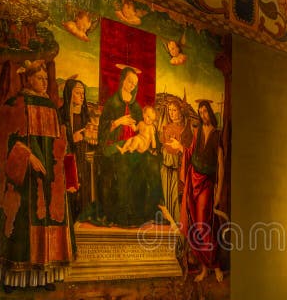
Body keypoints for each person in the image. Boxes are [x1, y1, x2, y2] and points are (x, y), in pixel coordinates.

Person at [0, 59, 72, 289]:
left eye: (46, 78)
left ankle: (45, 276)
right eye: (40, 78)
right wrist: (27, 157)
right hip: (25, 178)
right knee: (21, 225)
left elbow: (57, 142)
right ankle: (14, 278)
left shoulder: (51, 107)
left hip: (51, 178)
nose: (45, 82)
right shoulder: (15, 105)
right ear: (27, 78)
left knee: (49, 217)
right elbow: (5, 143)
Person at [94, 66, 165, 227]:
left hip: (135, 146)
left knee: (152, 165)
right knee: (124, 166)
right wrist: (118, 122)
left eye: (135, 82)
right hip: (114, 147)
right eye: (129, 81)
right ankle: (123, 214)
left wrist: (154, 147)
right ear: (122, 81)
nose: (132, 85)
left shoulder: (136, 107)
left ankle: (148, 211)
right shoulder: (112, 103)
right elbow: (102, 132)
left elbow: (146, 127)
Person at [167, 100, 223, 282]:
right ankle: (205, 267)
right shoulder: (197, 132)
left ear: (210, 113)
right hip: (194, 179)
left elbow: (221, 166)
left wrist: (219, 190)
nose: (203, 115)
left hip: (206, 183)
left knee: (203, 225)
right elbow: (190, 153)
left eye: (205, 112)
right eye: (201, 112)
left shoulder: (217, 135)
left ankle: (216, 265)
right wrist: (180, 148)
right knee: (195, 225)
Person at [59, 78, 91, 220]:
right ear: (69, 94)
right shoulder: (61, 114)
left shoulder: (85, 115)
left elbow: (89, 135)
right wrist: (72, 138)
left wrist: (89, 136)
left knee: (84, 187)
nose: (82, 96)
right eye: (78, 93)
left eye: (83, 93)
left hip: (82, 156)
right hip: (68, 157)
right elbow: (57, 141)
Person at [159, 100, 193, 224]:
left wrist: (179, 148)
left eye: (174, 110)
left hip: (177, 171)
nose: (171, 113)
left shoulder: (186, 130)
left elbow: (190, 152)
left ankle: (179, 234)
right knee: (167, 201)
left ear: (180, 111)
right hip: (165, 169)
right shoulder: (166, 127)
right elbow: (162, 146)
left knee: (176, 203)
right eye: (170, 110)